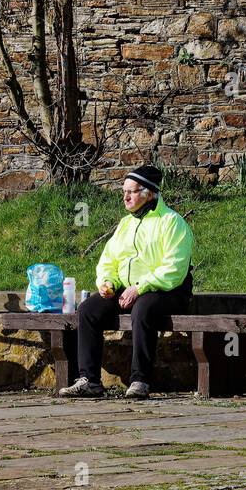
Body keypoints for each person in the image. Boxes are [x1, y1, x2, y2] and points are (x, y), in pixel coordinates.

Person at [59, 164, 195, 399]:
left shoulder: (172, 222)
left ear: (149, 193)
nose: (125, 196)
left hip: (167, 290)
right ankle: (89, 380)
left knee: (143, 309)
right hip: (127, 289)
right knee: (88, 310)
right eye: (124, 191)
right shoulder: (126, 224)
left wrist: (140, 288)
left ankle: (140, 380)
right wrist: (107, 282)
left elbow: (174, 269)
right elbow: (108, 260)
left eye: (131, 191)